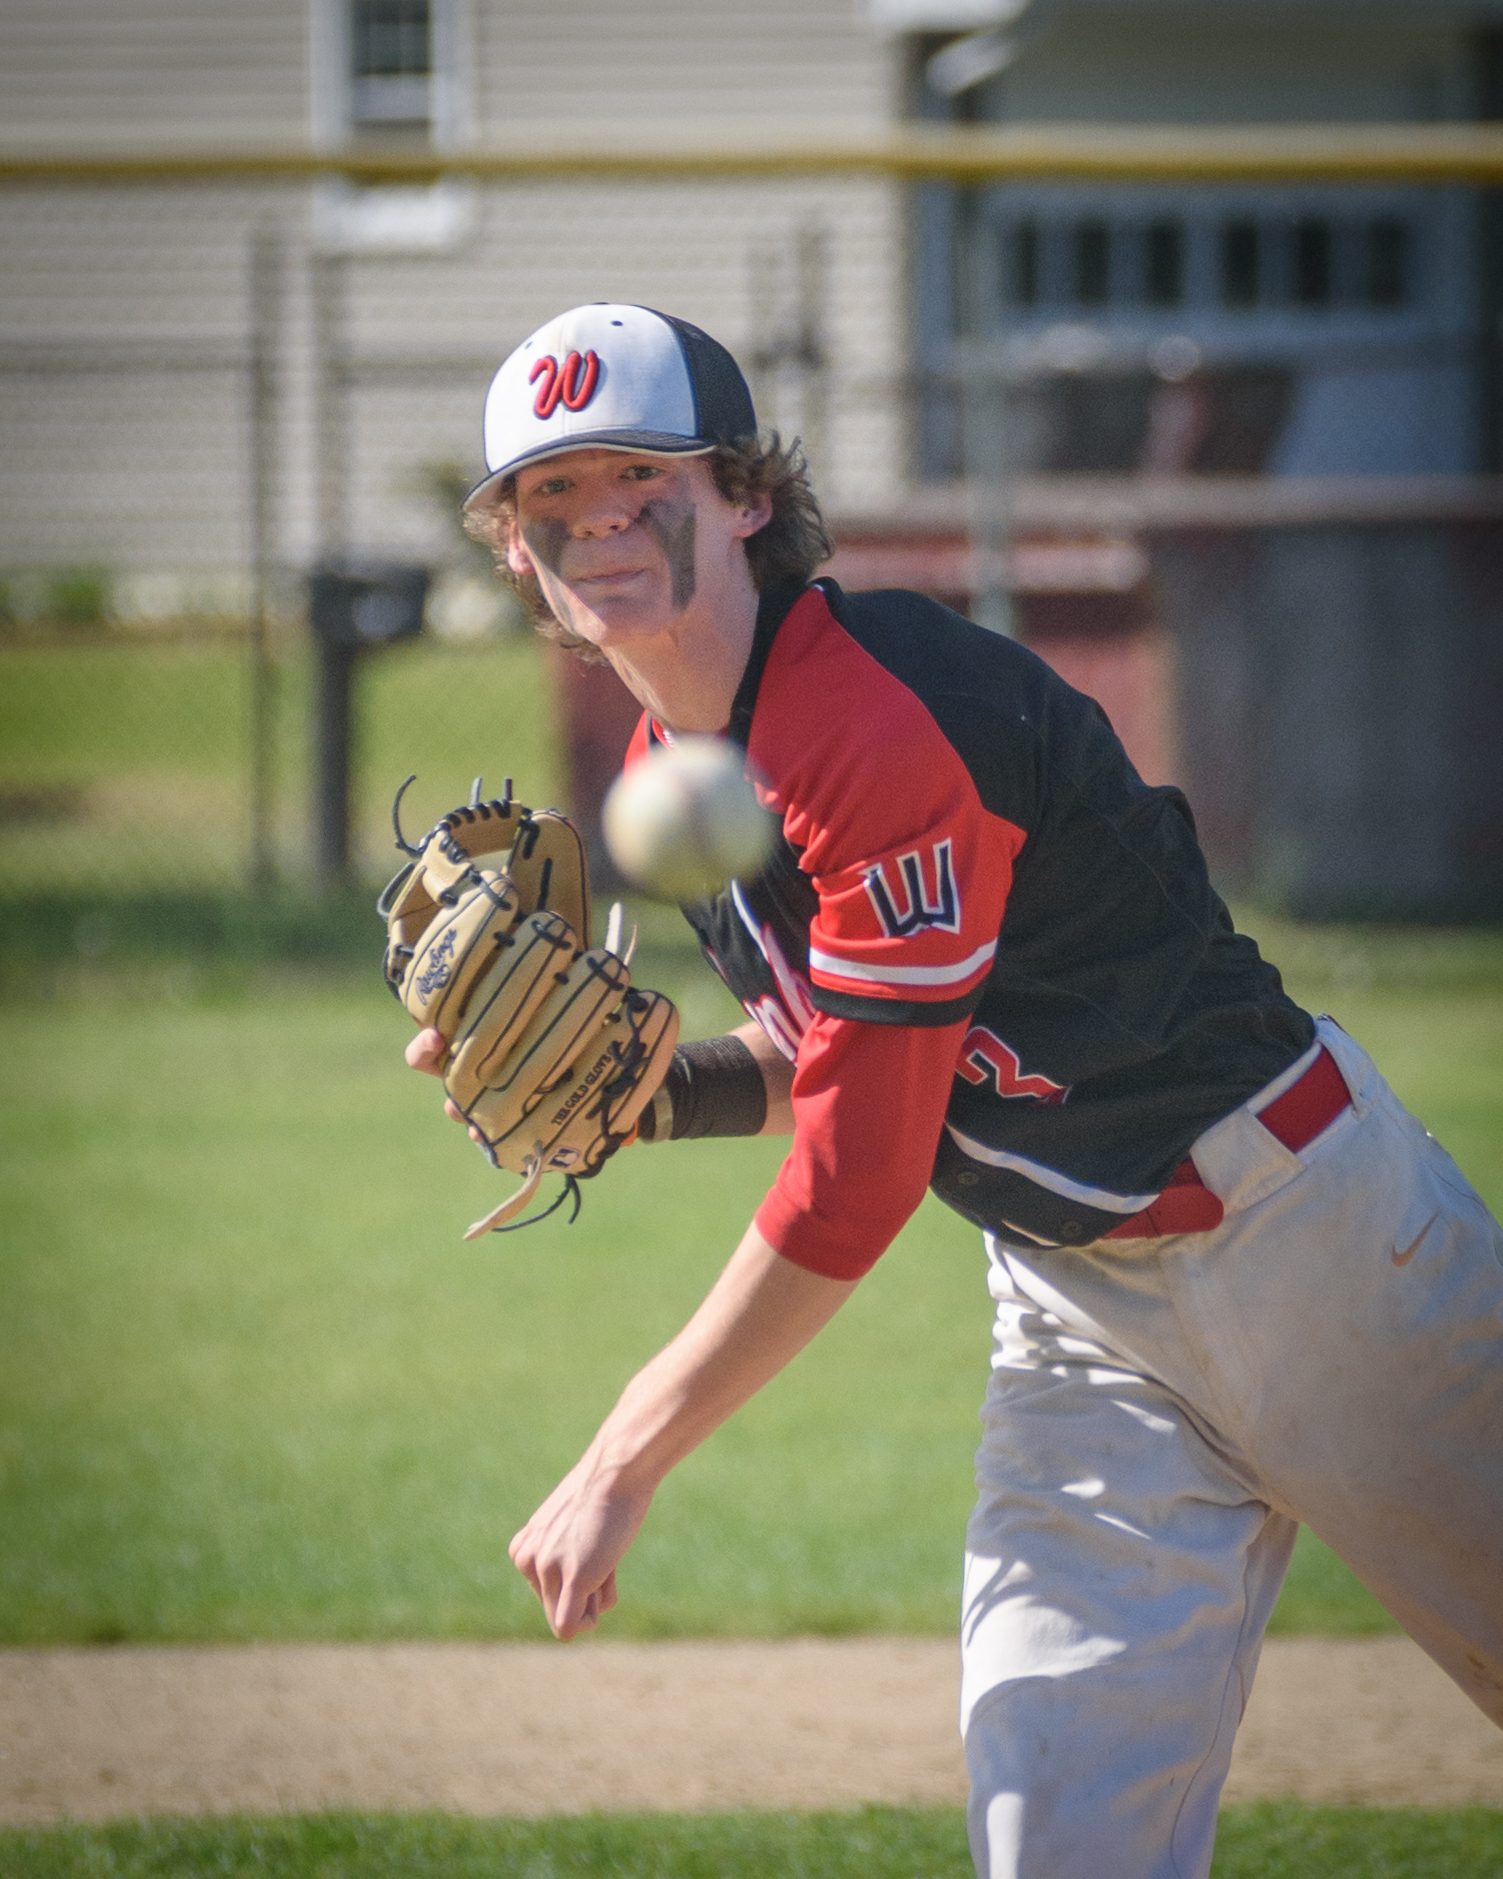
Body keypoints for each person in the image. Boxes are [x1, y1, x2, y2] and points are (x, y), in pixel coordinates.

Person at [408, 302, 1503, 1879]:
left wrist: (619, 1458)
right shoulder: (671, 778)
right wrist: (644, 1093)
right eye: (548, 498)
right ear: (515, 552)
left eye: (636, 473)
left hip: (1310, 1242)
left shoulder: (876, 717)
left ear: (745, 496)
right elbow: (837, 1045)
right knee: (1051, 1833)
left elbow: (858, 1177)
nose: (593, 524)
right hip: (1079, 1311)